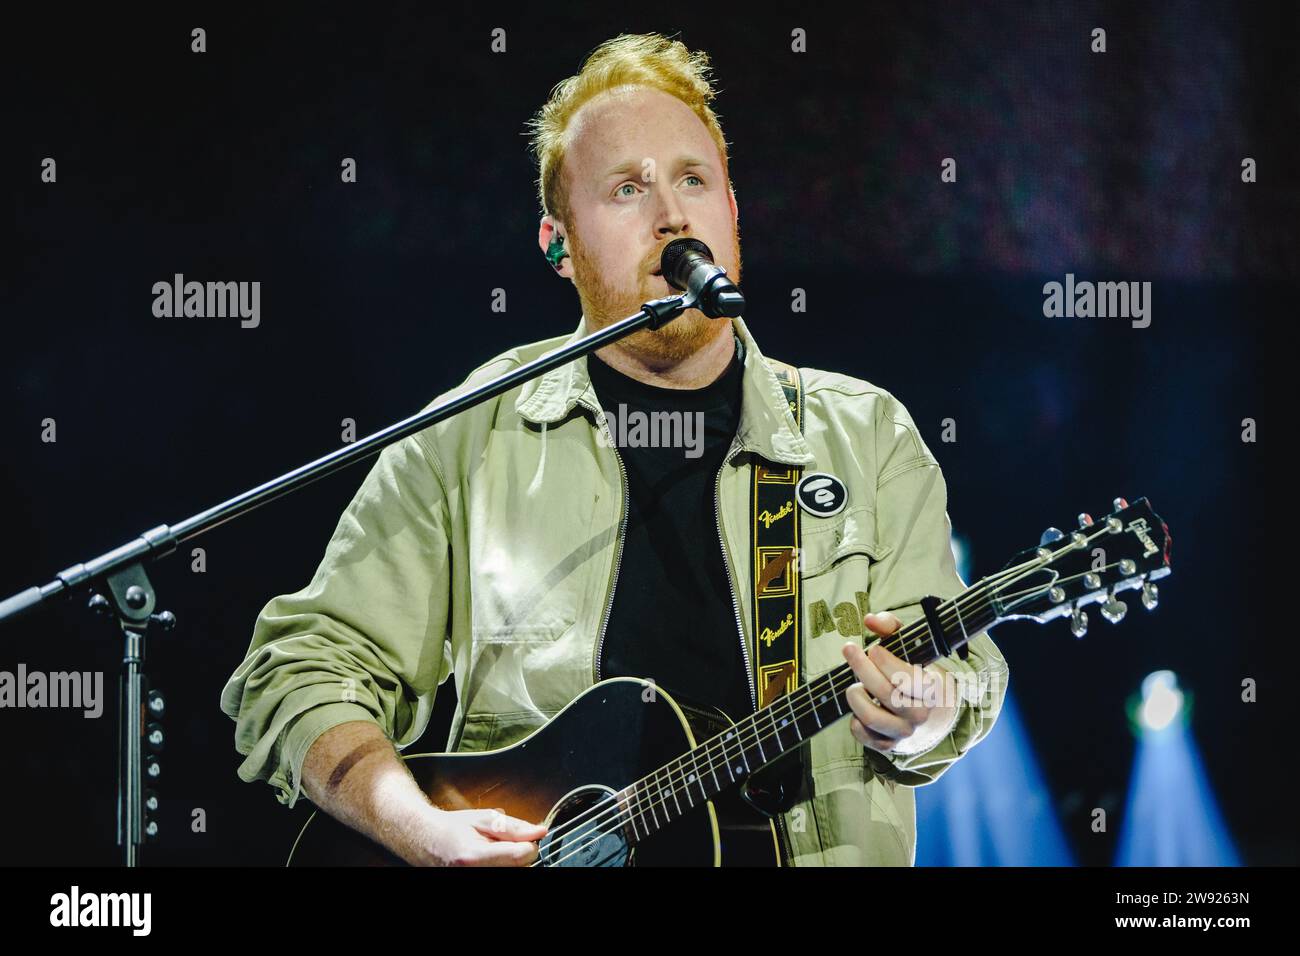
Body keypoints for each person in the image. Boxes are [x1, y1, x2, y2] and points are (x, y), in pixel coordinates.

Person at [220, 32, 1008, 867]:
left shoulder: (865, 436)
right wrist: (415, 825)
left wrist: (930, 709)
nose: (672, 213)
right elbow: (301, 668)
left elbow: (959, 666)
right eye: (627, 188)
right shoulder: (474, 430)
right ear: (557, 245)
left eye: (693, 180)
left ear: (732, 216)